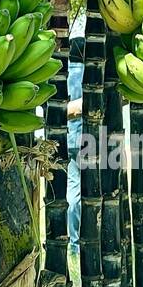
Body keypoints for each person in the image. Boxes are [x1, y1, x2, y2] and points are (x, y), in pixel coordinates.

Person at [66, 34, 84, 255]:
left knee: (73, 192)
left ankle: (74, 243)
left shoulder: (66, 72)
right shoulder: (86, 73)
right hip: (91, 139)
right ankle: (79, 242)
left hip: (70, 139)